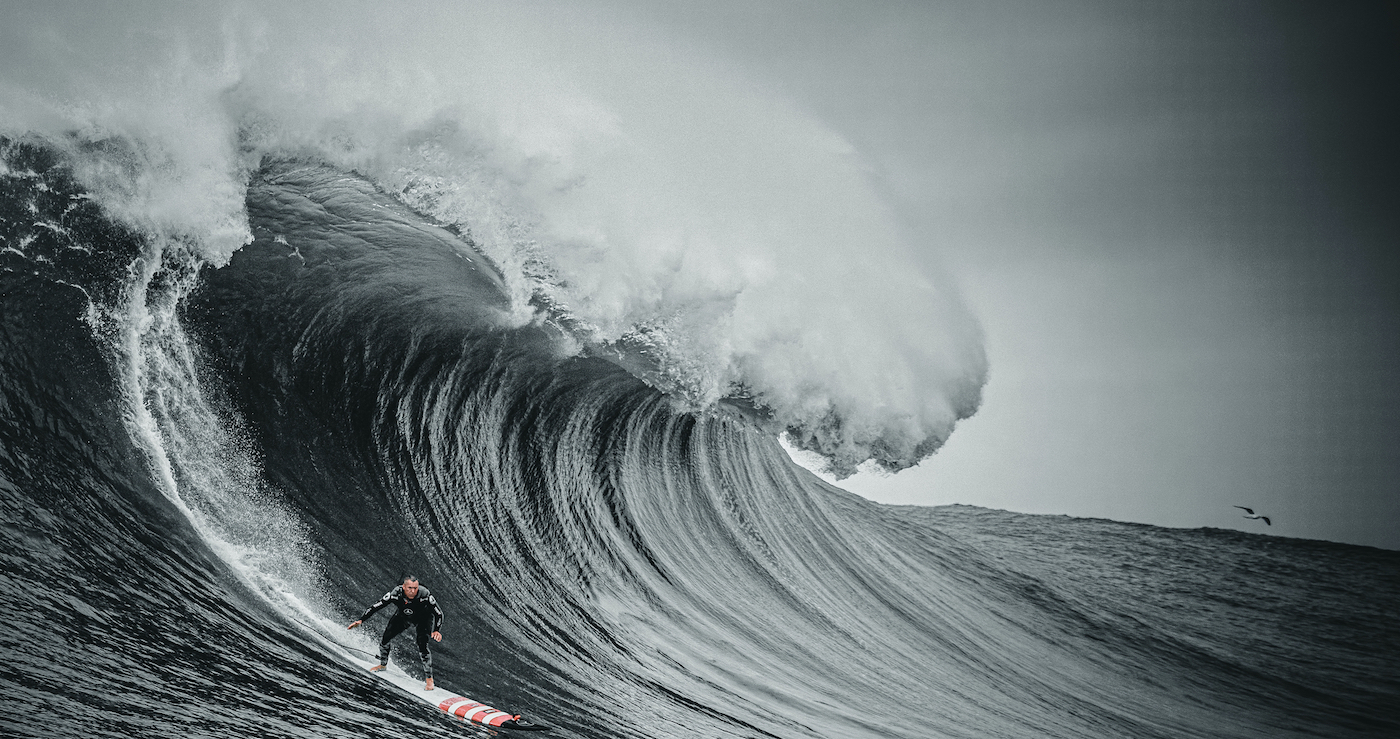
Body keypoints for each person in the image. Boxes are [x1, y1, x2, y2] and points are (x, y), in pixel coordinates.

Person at [347, 575, 444, 690]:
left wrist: (436, 630)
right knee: (385, 639)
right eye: (410, 588)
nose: (413, 591)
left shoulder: (425, 595)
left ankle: (429, 680)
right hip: (404, 617)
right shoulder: (395, 594)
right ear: (403, 587)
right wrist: (361, 620)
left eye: (415, 588)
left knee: (422, 644)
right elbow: (376, 606)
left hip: (424, 619)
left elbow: (439, 614)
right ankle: (383, 665)